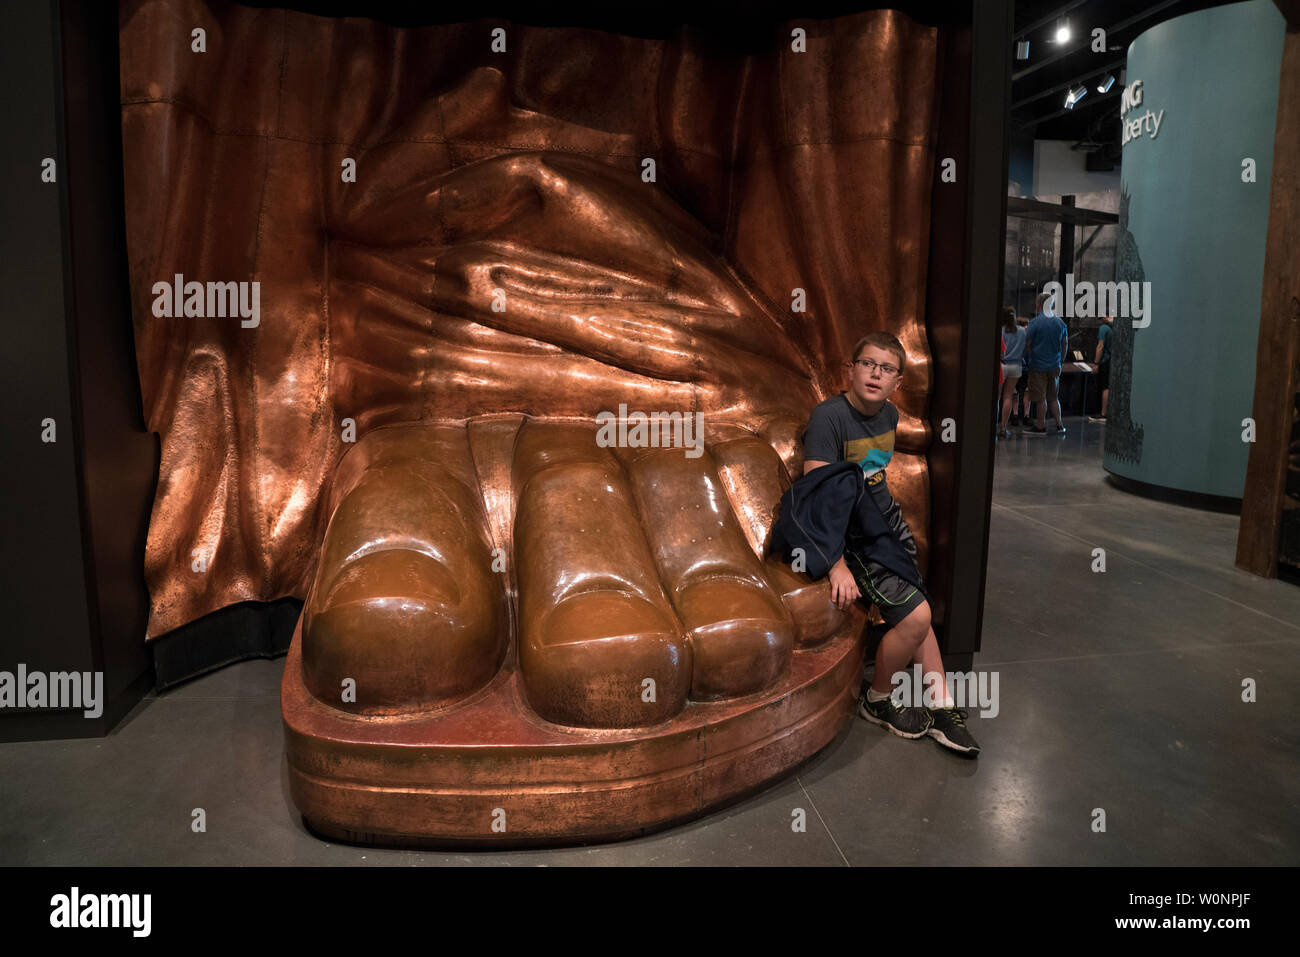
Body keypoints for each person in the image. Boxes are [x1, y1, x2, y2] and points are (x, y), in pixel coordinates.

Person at [799, 332, 980, 756]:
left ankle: (941, 706)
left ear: (897, 381)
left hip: (888, 529)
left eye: (886, 368)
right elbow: (817, 499)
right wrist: (835, 564)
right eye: (868, 364)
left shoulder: (889, 416)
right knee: (917, 619)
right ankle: (878, 700)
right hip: (856, 539)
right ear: (852, 368)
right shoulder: (828, 418)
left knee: (918, 609)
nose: (875, 374)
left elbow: (874, 481)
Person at [1023, 290, 1069, 436]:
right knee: (1053, 397)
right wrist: (1061, 361)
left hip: (1038, 366)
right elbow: (1065, 344)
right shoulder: (1060, 322)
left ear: (1039, 304)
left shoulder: (1035, 323)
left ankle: (1040, 426)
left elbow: (1027, 343)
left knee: (1040, 398)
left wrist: (1023, 358)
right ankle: (1060, 425)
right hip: (1055, 365)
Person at [998, 307, 1026, 437]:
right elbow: (1026, 348)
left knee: (997, 398)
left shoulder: (1001, 331)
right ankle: (1004, 428)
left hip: (1002, 365)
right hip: (1016, 365)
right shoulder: (1022, 331)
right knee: (1008, 396)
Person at [1088, 315, 1113, 422]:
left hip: (1105, 360)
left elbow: (1100, 346)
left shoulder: (1104, 328)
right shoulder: (1116, 328)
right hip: (1113, 360)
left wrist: (1096, 363)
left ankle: (1103, 413)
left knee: (1105, 387)